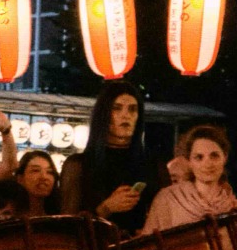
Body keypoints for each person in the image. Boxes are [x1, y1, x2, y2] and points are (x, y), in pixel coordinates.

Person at [58, 81, 161, 233]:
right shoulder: (79, 165)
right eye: (116, 108)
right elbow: (67, 227)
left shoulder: (152, 164)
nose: (125, 115)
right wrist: (106, 208)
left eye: (132, 109)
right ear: (104, 114)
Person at [143, 124, 237, 244]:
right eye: (199, 157)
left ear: (225, 157)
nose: (208, 164)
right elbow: (147, 249)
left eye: (214, 156)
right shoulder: (168, 199)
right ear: (189, 161)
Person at [15, 149, 60, 216]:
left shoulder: (59, 216)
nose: (44, 177)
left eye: (49, 172)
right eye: (36, 170)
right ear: (20, 178)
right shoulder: (10, 217)